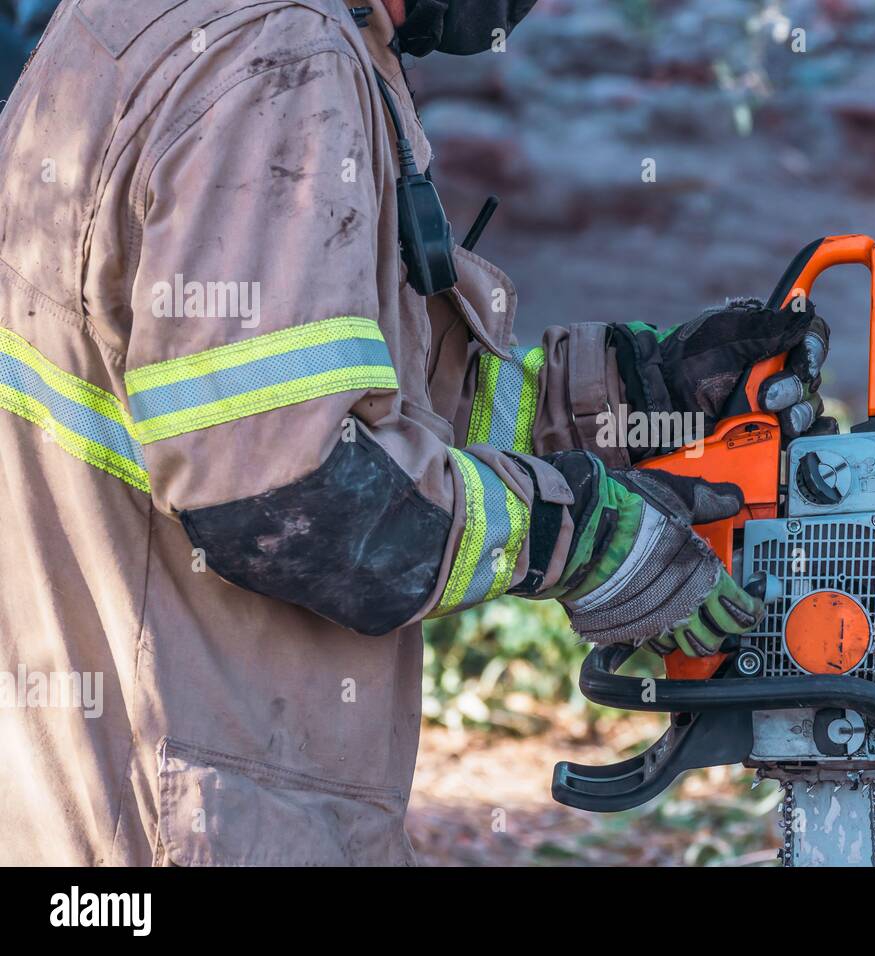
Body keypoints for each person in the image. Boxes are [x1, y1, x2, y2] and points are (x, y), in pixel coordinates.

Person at [0, 0, 829, 865]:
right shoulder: (277, 58)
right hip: (171, 811)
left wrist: (629, 397)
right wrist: (575, 536)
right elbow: (291, 493)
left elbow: (346, 398)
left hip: (94, 779)